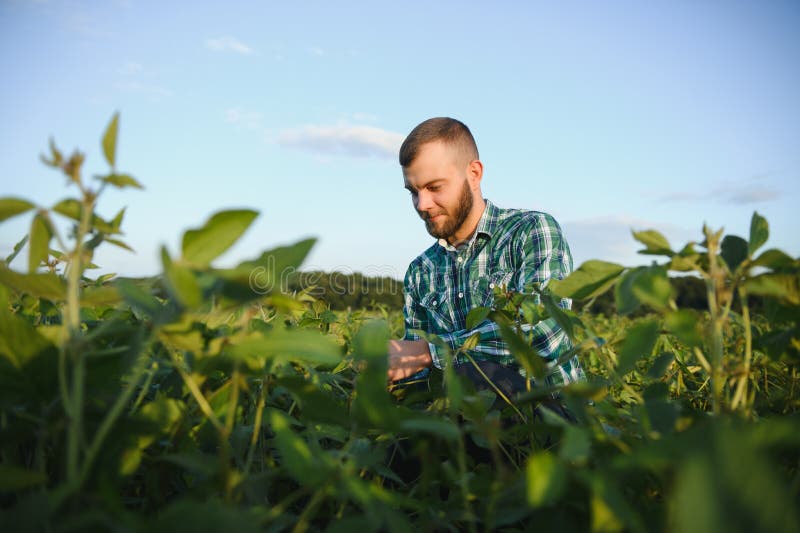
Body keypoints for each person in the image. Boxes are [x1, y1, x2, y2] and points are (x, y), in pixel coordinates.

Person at [387, 117, 585, 400]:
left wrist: (430, 352)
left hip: (551, 421)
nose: (423, 205)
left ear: (474, 174)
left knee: (474, 378)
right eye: (413, 192)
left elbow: (544, 334)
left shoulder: (530, 231)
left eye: (434, 187)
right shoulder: (421, 271)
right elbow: (418, 371)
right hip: (468, 427)